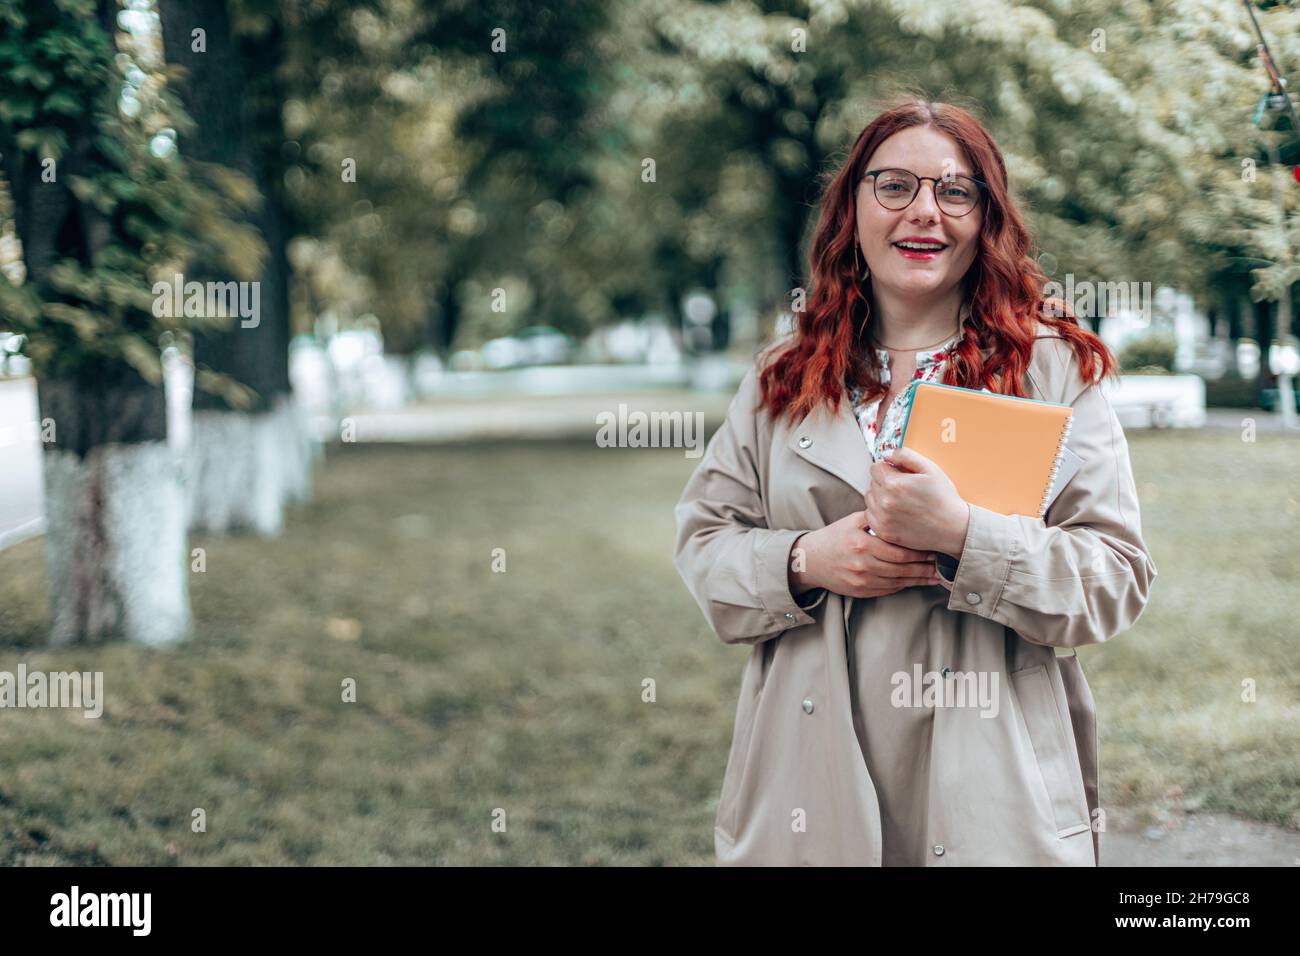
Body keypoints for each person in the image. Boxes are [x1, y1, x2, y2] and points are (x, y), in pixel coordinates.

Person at [672, 97, 1158, 866]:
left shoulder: (1052, 366)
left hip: (990, 785)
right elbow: (704, 546)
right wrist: (803, 561)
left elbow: (1114, 579)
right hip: (809, 775)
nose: (924, 212)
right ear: (853, 209)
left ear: (986, 216)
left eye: (954, 191)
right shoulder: (781, 376)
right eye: (894, 186)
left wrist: (965, 537)